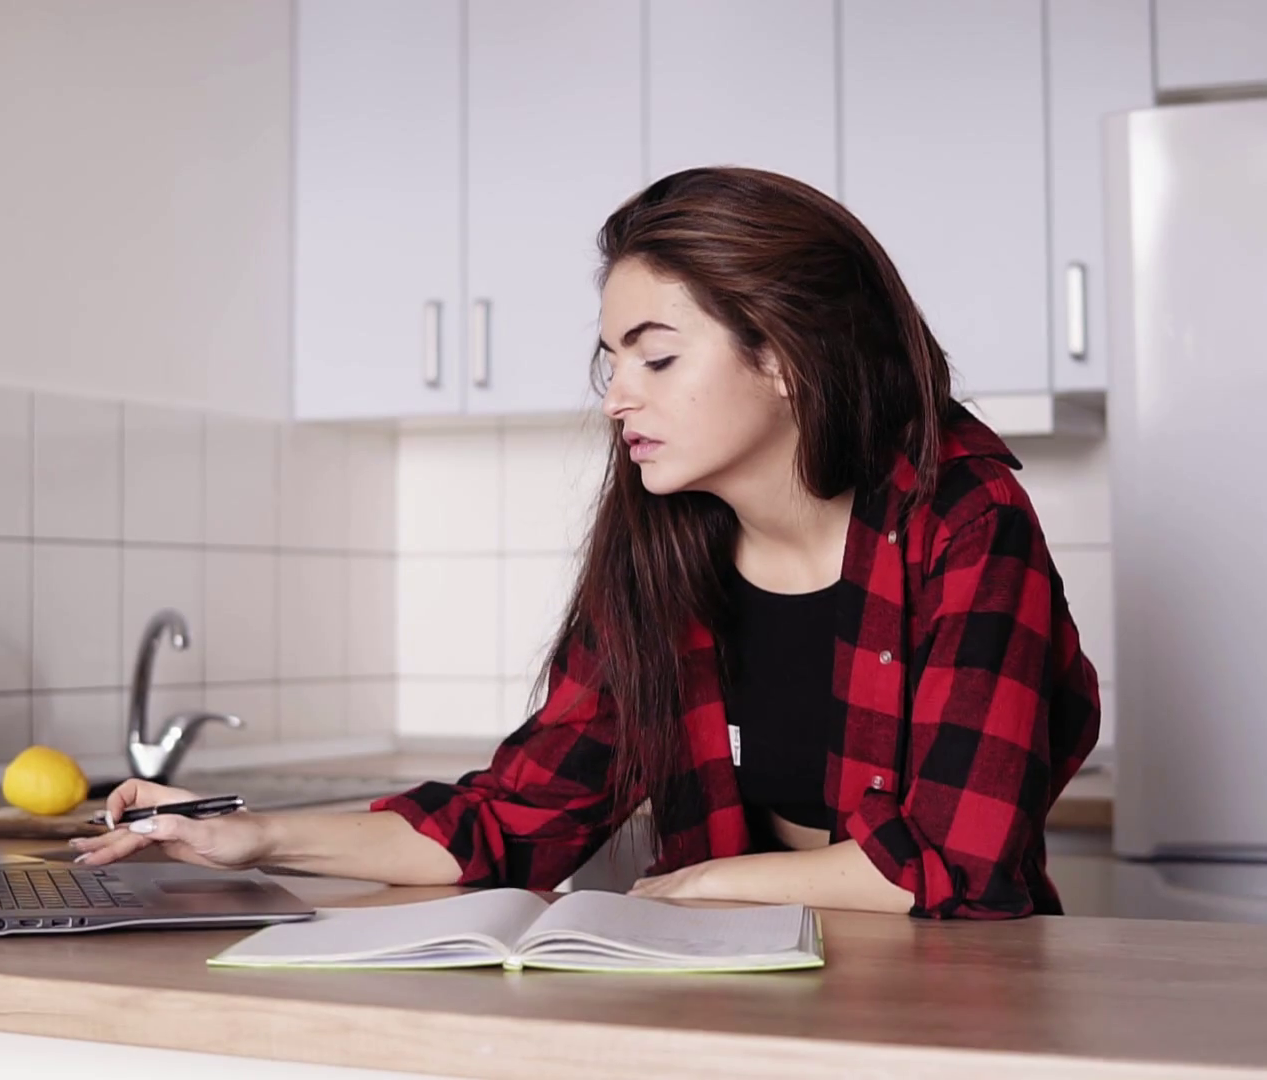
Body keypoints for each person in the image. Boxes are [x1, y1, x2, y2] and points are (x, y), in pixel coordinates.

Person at [73, 167, 1100, 919]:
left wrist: (697, 884)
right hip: (736, 998)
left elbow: (955, 866)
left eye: (655, 358)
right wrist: (254, 836)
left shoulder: (965, 518)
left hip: (954, 1005)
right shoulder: (662, 552)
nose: (617, 398)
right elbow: (518, 821)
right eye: (610, 361)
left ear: (786, 357)